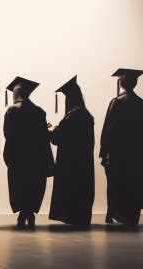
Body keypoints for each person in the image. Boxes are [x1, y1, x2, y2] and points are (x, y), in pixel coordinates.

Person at [100, 68, 143, 227]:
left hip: (118, 153)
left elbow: (108, 130)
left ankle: (114, 213)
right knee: (133, 184)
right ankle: (131, 216)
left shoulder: (116, 102)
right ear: (135, 83)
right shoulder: (140, 103)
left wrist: (104, 152)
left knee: (116, 184)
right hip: (136, 154)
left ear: (121, 83)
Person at [3, 76, 54, 229]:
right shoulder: (39, 112)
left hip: (18, 155)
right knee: (33, 184)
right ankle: (29, 212)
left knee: (20, 184)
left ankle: (23, 214)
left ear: (16, 93)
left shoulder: (12, 110)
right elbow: (43, 136)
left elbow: (8, 133)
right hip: (36, 156)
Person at [48, 76, 95, 228]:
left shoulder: (72, 116)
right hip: (83, 161)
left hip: (70, 163)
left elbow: (58, 139)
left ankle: (72, 217)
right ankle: (80, 217)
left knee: (71, 188)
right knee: (82, 188)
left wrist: (51, 130)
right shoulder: (86, 115)